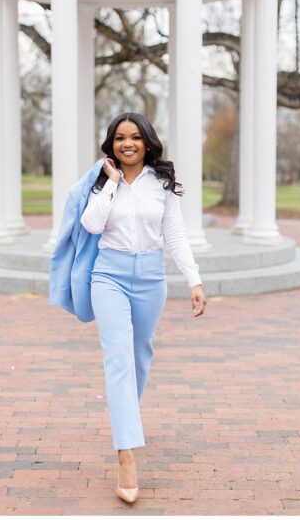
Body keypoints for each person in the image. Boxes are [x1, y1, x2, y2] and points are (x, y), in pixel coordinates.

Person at [80, 112, 207, 503]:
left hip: (151, 279)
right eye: (120, 138)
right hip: (109, 275)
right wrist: (112, 185)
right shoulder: (102, 180)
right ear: (112, 143)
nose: (128, 143)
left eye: (135, 137)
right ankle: (126, 455)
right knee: (118, 358)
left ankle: (124, 423)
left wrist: (194, 279)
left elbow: (175, 234)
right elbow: (90, 224)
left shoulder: (162, 184)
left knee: (139, 357)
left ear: (147, 141)